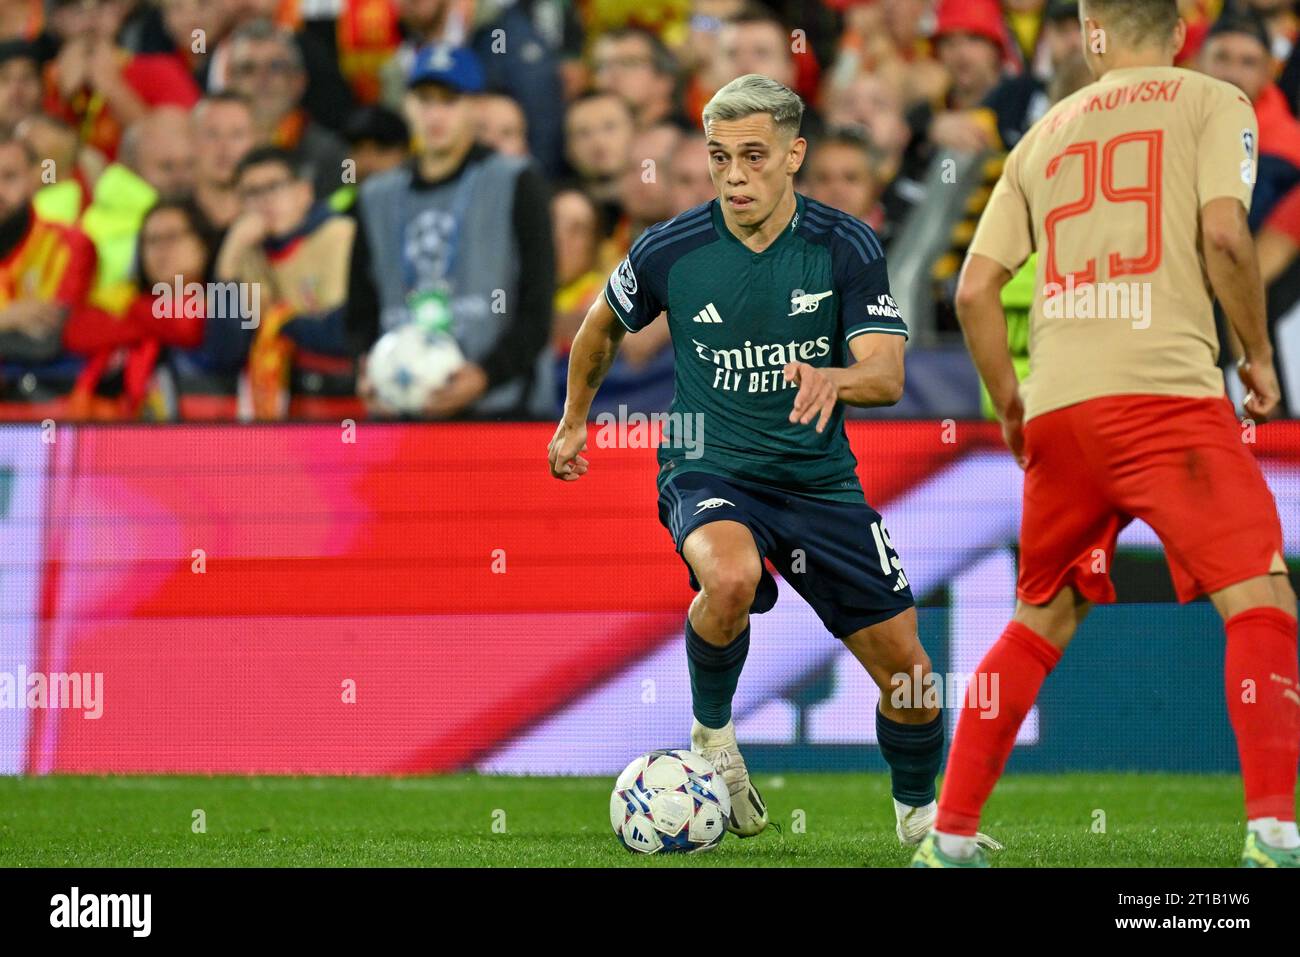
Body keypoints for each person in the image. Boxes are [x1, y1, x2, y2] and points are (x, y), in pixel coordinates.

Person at [548, 73, 998, 850]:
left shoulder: (843, 244)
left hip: (818, 483)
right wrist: (573, 423)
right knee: (729, 576)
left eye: (753, 156)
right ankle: (713, 739)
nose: (733, 175)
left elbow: (887, 375)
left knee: (913, 678)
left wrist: (837, 377)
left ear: (794, 154)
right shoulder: (671, 248)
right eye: (719, 157)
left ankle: (918, 812)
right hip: (707, 466)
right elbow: (599, 326)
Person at [918, 0, 1300, 868]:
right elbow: (1224, 235)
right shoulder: (1211, 102)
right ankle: (1275, 831)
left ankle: (950, 835)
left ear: (1091, 36)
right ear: (1178, 34)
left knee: (1038, 618)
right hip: (1166, 393)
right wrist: (1256, 356)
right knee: (1261, 598)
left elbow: (975, 290)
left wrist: (1012, 402)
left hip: (1059, 407)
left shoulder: (1041, 135)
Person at [347, 44, 554, 419]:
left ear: (476, 107)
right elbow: (360, 312)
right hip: (401, 410)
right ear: (407, 105)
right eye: (424, 100)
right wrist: (368, 371)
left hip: (501, 413)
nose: (434, 114)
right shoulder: (376, 195)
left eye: (450, 100)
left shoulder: (516, 180)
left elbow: (537, 308)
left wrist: (485, 376)